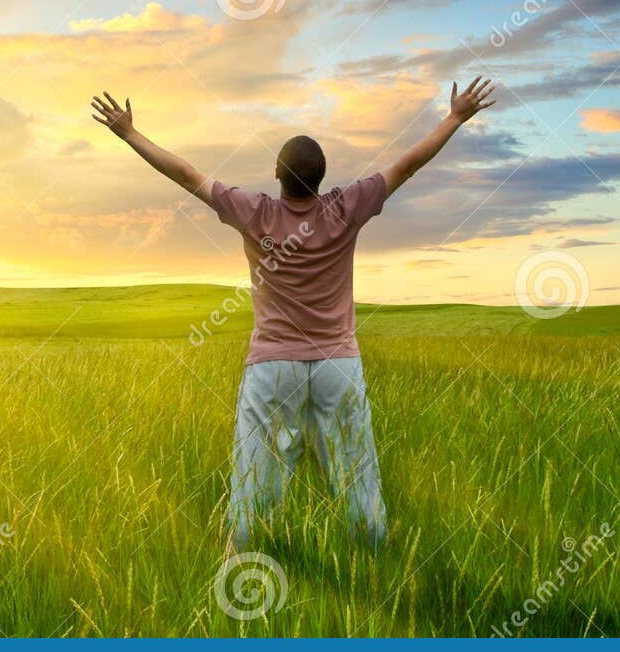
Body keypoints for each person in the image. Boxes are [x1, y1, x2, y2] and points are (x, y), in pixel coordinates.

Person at [90, 78, 499, 549]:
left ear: (277, 174)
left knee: (255, 482)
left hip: (271, 367)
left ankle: (242, 566)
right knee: (356, 478)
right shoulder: (348, 206)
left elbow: (186, 175)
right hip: (337, 365)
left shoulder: (253, 211)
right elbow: (407, 165)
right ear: (322, 178)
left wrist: (129, 134)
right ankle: (374, 564)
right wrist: (454, 118)